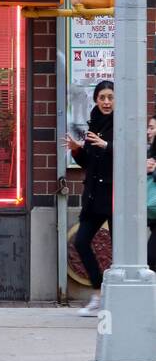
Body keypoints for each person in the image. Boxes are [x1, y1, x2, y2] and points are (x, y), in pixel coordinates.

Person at [65, 80, 114, 317]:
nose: (106, 102)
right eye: (102, 97)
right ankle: (98, 294)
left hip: (115, 198)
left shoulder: (123, 123)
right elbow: (90, 163)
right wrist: (77, 150)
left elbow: (130, 152)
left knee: (121, 251)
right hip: (94, 196)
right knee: (81, 242)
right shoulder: (93, 122)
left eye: (110, 97)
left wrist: (107, 145)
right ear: (95, 100)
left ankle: (118, 298)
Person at [145, 115, 155, 274]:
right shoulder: (150, 151)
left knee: (151, 257)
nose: (148, 131)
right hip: (153, 216)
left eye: (152, 128)